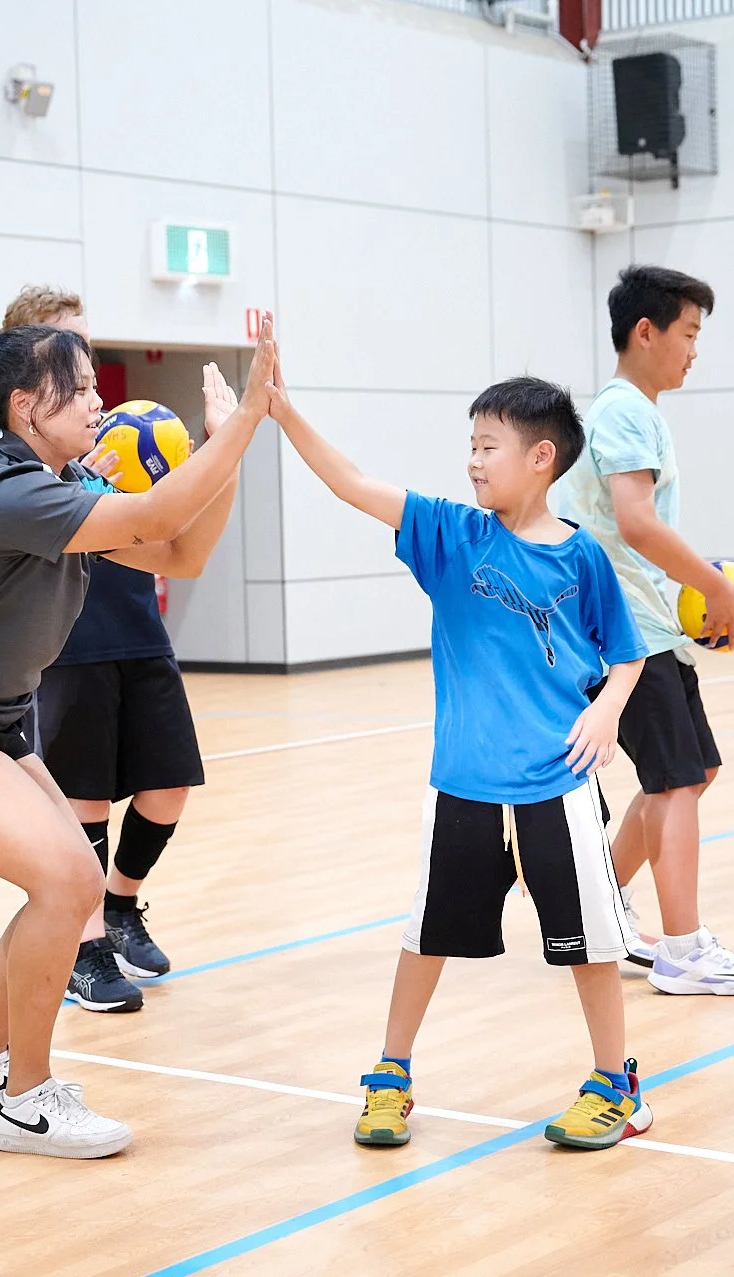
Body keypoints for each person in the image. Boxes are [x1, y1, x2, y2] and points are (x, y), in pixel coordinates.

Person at [0, 315, 276, 1159]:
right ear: (22, 407)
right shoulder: (5, 494)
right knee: (63, 883)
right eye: (75, 389)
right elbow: (159, 506)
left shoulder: (60, 475)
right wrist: (241, 423)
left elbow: (181, 550)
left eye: (92, 384)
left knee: (73, 883)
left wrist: (232, 446)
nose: (96, 401)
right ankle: (27, 1101)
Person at [269, 365, 653, 1151]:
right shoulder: (450, 535)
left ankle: (614, 1082)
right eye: (470, 446)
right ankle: (389, 1075)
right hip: (464, 789)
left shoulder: (582, 559)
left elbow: (627, 652)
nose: (473, 461)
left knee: (592, 945)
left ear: (542, 457)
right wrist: (280, 409)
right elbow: (350, 482)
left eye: (489, 446)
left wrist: (607, 711)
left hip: (559, 784)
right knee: (427, 934)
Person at [0, 286, 229, 1016]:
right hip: (69, 642)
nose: (84, 361)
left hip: (137, 629)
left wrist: (215, 444)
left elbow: (176, 534)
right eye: (69, 347)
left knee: (168, 783)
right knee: (84, 796)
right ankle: (84, 948)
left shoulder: (111, 440)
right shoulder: (23, 470)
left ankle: (120, 902)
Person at [555, 265, 734, 995]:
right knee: (676, 781)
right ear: (645, 332)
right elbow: (636, 521)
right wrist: (710, 585)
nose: (693, 350)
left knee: (694, 772)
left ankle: (601, 906)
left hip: (650, 625)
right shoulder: (623, 410)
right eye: (688, 334)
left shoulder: (637, 410)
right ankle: (681, 950)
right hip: (629, 629)